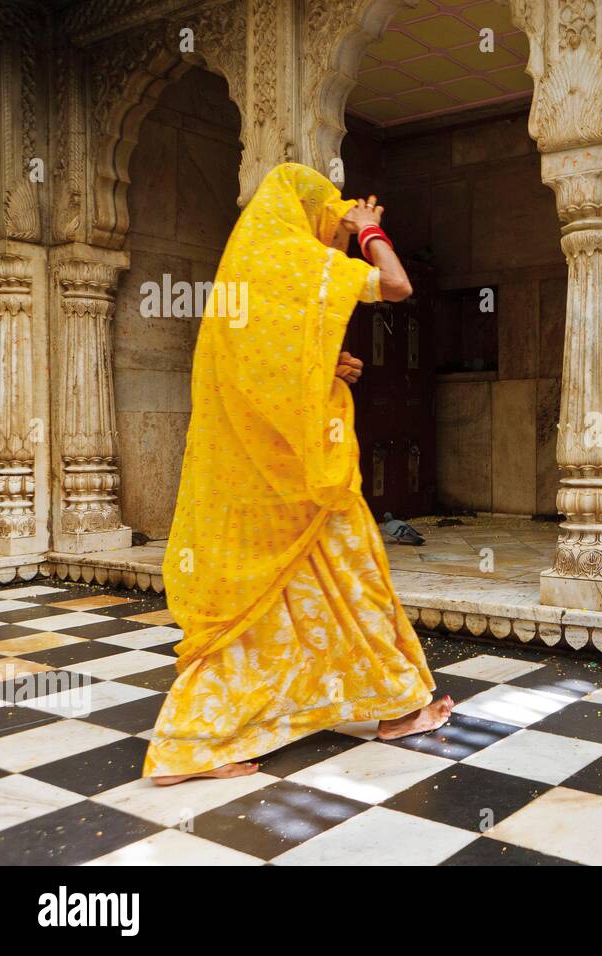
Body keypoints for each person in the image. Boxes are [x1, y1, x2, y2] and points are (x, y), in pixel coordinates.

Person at [144, 163, 454, 785]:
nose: (332, 239)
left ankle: (387, 705)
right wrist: (369, 232)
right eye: (330, 223)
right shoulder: (297, 262)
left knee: (282, 606)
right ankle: (186, 746)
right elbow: (395, 286)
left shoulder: (251, 268)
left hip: (257, 485)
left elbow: (259, 371)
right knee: (355, 580)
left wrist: (327, 369)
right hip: (301, 484)